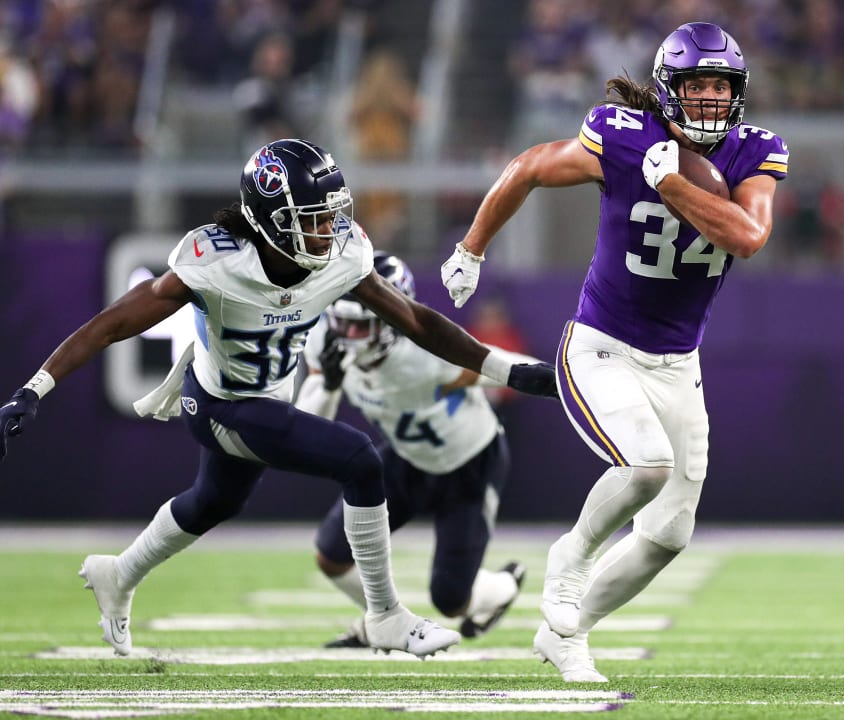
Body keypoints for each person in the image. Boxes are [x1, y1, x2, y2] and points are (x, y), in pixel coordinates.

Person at [0, 138, 556, 659]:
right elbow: (111, 324)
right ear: (271, 223)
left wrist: (508, 370)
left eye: (334, 215)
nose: (330, 232)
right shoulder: (215, 262)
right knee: (360, 461)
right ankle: (384, 614)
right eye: (315, 220)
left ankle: (117, 575)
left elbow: (418, 322)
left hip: (265, 396)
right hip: (221, 404)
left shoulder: (340, 259)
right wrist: (35, 388)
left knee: (212, 502)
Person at [440, 22, 787, 682]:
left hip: (677, 363)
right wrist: (471, 246)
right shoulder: (624, 137)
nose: (711, 98)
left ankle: (565, 635)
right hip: (602, 346)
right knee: (647, 466)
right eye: (697, 85)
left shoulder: (756, 153)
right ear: (669, 89)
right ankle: (568, 559)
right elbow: (531, 166)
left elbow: (747, 236)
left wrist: (677, 186)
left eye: (721, 85)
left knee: (666, 535)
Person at [296, 251, 528, 645]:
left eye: (362, 326)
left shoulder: (428, 354)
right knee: (331, 556)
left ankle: (503, 584)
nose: (349, 337)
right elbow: (305, 430)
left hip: (470, 463)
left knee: (452, 601)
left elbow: (509, 369)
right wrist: (330, 385)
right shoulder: (326, 340)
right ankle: (386, 621)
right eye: (344, 324)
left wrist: (570, 382)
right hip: (406, 457)